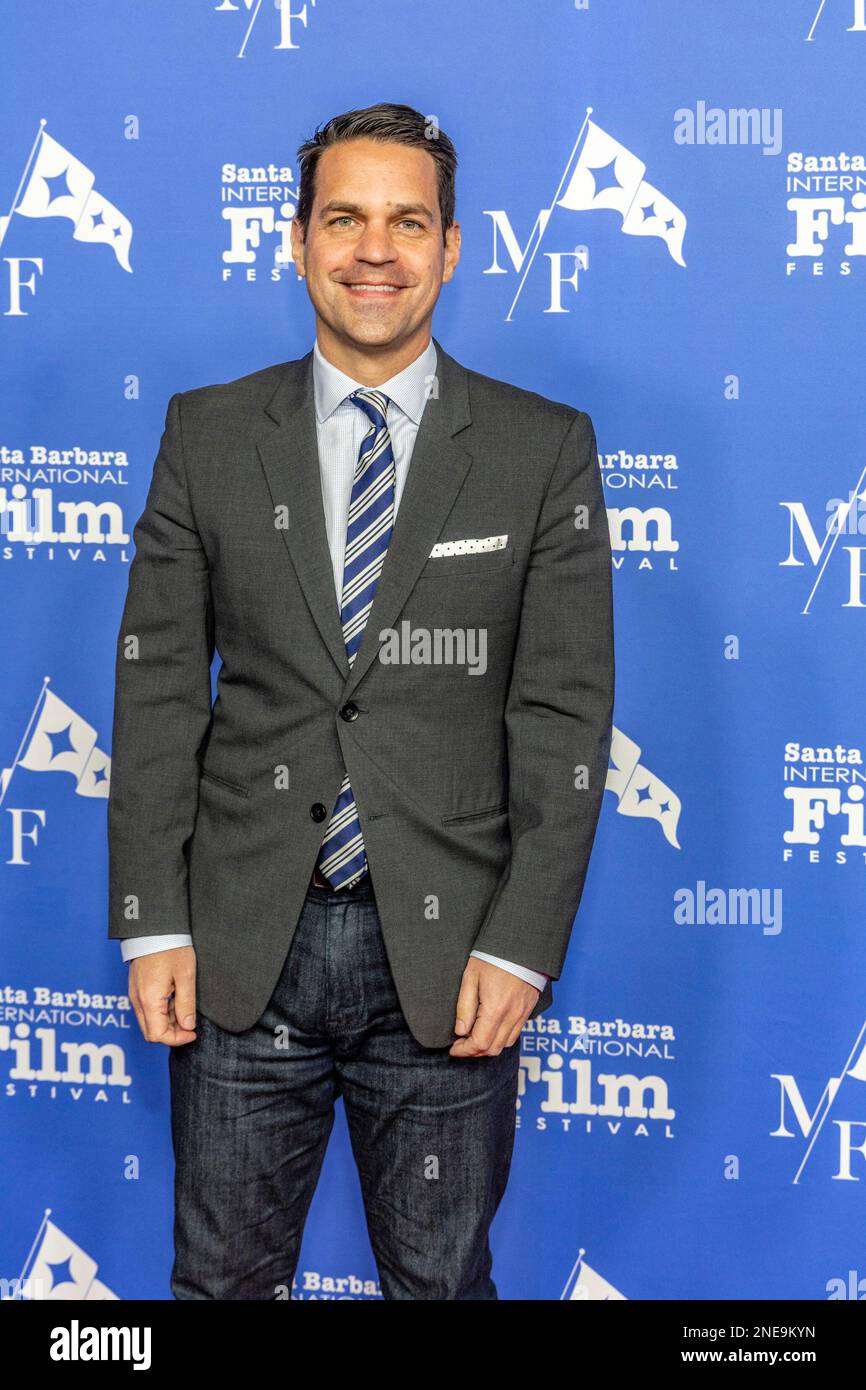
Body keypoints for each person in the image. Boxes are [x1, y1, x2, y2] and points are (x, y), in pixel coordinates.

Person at [107, 101, 615, 1300]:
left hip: (449, 959)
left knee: (441, 1284)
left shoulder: (543, 449)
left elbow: (561, 718)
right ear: (295, 241)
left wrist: (522, 946)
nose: (372, 250)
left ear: (451, 247)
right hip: (241, 947)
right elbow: (160, 690)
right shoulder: (209, 434)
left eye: (405, 221)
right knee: (221, 1280)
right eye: (343, 218)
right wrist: (152, 921)